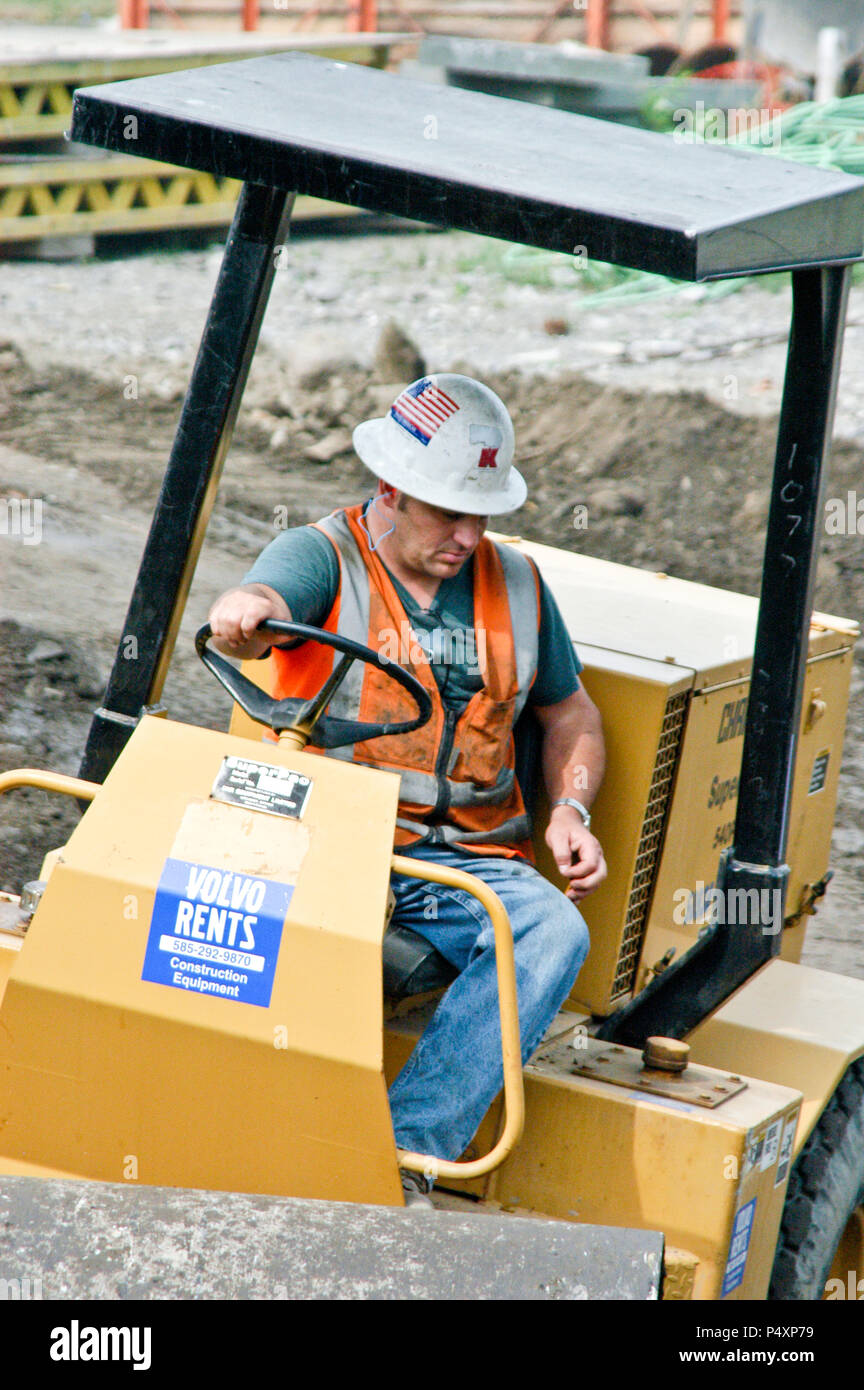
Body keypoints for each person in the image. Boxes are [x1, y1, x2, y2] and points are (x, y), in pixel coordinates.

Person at [208, 373, 607, 1206]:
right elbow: (263, 598)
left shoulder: (520, 586)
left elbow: (571, 714)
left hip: (466, 864)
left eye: (481, 515)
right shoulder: (323, 557)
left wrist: (570, 809)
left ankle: (401, 1160)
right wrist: (244, 612)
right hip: (329, 840)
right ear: (390, 489)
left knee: (551, 931)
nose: (468, 535)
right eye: (447, 512)